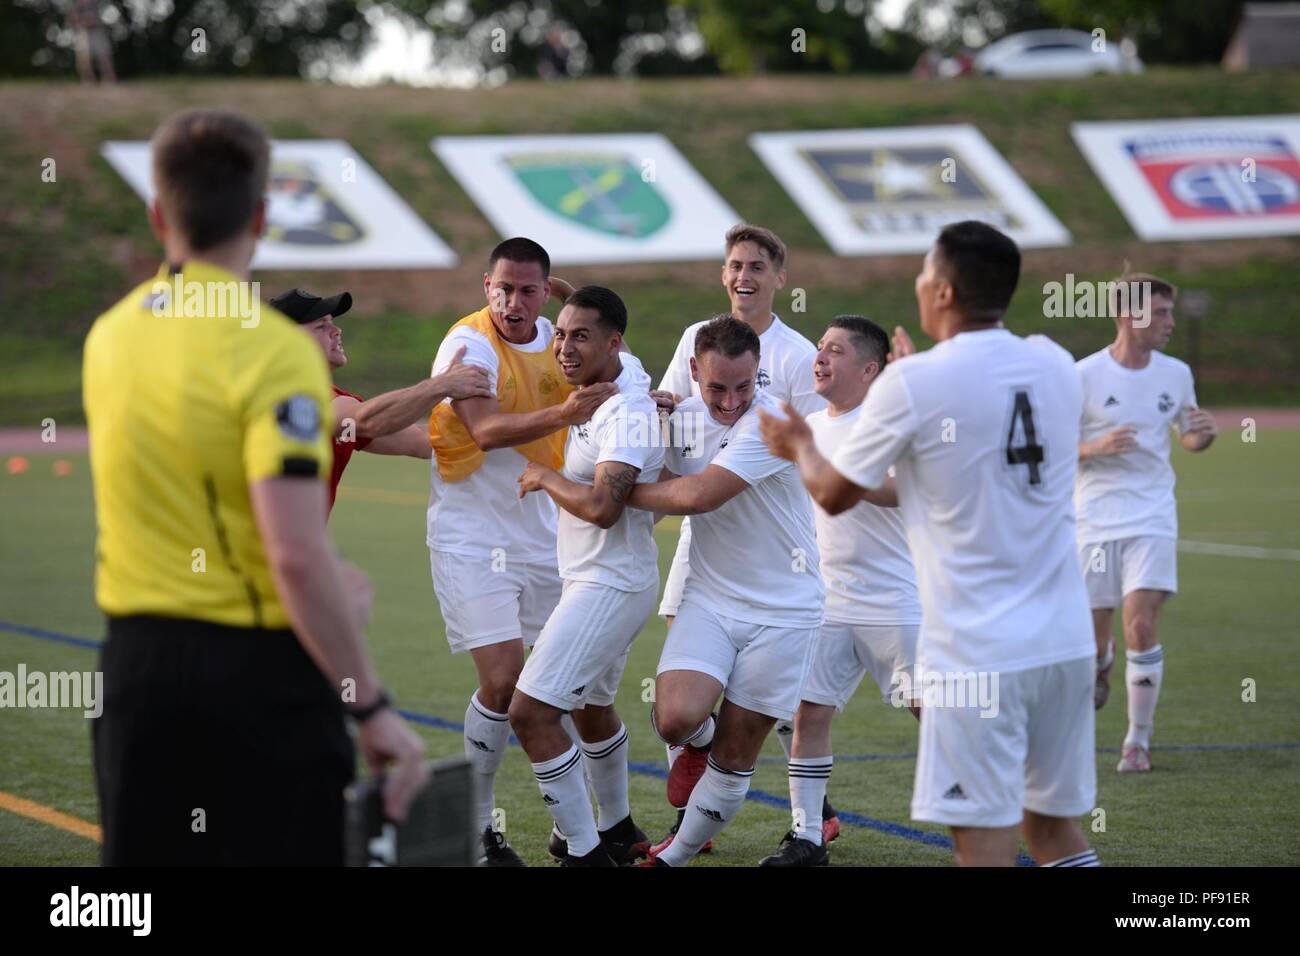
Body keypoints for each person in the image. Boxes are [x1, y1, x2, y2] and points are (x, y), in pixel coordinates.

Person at [84, 109, 425, 866]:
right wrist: (368, 704)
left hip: (135, 670)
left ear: (156, 214)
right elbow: (295, 552)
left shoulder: (109, 336)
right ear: (263, 216)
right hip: (258, 672)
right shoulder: (276, 356)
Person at [760, 221, 1100, 867]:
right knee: (1053, 832)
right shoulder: (1055, 361)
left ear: (942, 292)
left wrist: (799, 443)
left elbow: (832, 492)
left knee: (981, 841)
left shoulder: (909, 385)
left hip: (978, 648)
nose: (916, 284)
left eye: (922, 273)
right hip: (1064, 639)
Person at [426, 237, 615, 865]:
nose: (513, 301)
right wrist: (565, 411)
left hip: (546, 536)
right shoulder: (468, 344)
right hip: (472, 538)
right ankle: (478, 829)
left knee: (572, 686)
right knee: (506, 682)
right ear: (486, 286)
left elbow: (614, 360)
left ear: (546, 291)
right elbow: (484, 429)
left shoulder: (561, 338)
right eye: (503, 288)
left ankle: (580, 830)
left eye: (529, 290)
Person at [649, 222, 828, 849]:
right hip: (706, 536)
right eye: (734, 265)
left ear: (780, 277)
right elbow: (674, 413)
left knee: (777, 702)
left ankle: (811, 809)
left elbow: (813, 447)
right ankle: (699, 770)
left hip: (780, 535)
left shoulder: (799, 357)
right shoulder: (697, 341)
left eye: (757, 266)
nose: (743, 277)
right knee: (682, 694)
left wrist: (609, 496)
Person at [758, 316, 922, 867]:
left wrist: (824, 467)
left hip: (896, 600)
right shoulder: (806, 425)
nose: (820, 357)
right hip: (825, 601)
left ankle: (997, 815)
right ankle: (807, 836)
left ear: (870, 368)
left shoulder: (889, 423)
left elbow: (902, 492)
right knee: (808, 713)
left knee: (936, 712)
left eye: (835, 350)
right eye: (820, 348)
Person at [511, 286, 663, 866]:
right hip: (594, 579)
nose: (564, 348)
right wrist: (570, 297)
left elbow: (604, 507)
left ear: (613, 343)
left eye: (579, 336)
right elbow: (604, 322)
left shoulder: (625, 411)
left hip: (610, 584)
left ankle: (582, 851)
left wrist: (543, 477)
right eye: (560, 334)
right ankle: (618, 828)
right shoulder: (614, 377)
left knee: (531, 713)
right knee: (590, 710)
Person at [1075, 272, 1217, 772]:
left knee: (1141, 622)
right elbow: (1051, 451)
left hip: (1152, 513)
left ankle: (1137, 741)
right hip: (1092, 517)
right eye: (1159, 313)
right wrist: (1094, 447)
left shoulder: (1176, 373)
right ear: (1126, 316)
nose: (1169, 323)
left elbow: (1188, 436)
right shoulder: (1084, 375)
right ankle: (1101, 662)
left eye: (1170, 312)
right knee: (1094, 638)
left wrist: (1203, 435)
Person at [269, 287, 491, 514]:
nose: (336, 330)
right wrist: (441, 385)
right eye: (321, 325)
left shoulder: (328, 398)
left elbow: (423, 441)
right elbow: (365, 421)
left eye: (332, 322)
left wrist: (498, 424)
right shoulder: (289, 393)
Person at [69, 0, 116, 85]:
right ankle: (88, 81)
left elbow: (104, 15)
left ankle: (109, 79)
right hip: (83, 32)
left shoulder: (96, 3)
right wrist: (80, 21)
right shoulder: (77, 5)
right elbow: (73, 20)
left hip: (97, 31)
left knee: (104, 56)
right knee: (84, 58)